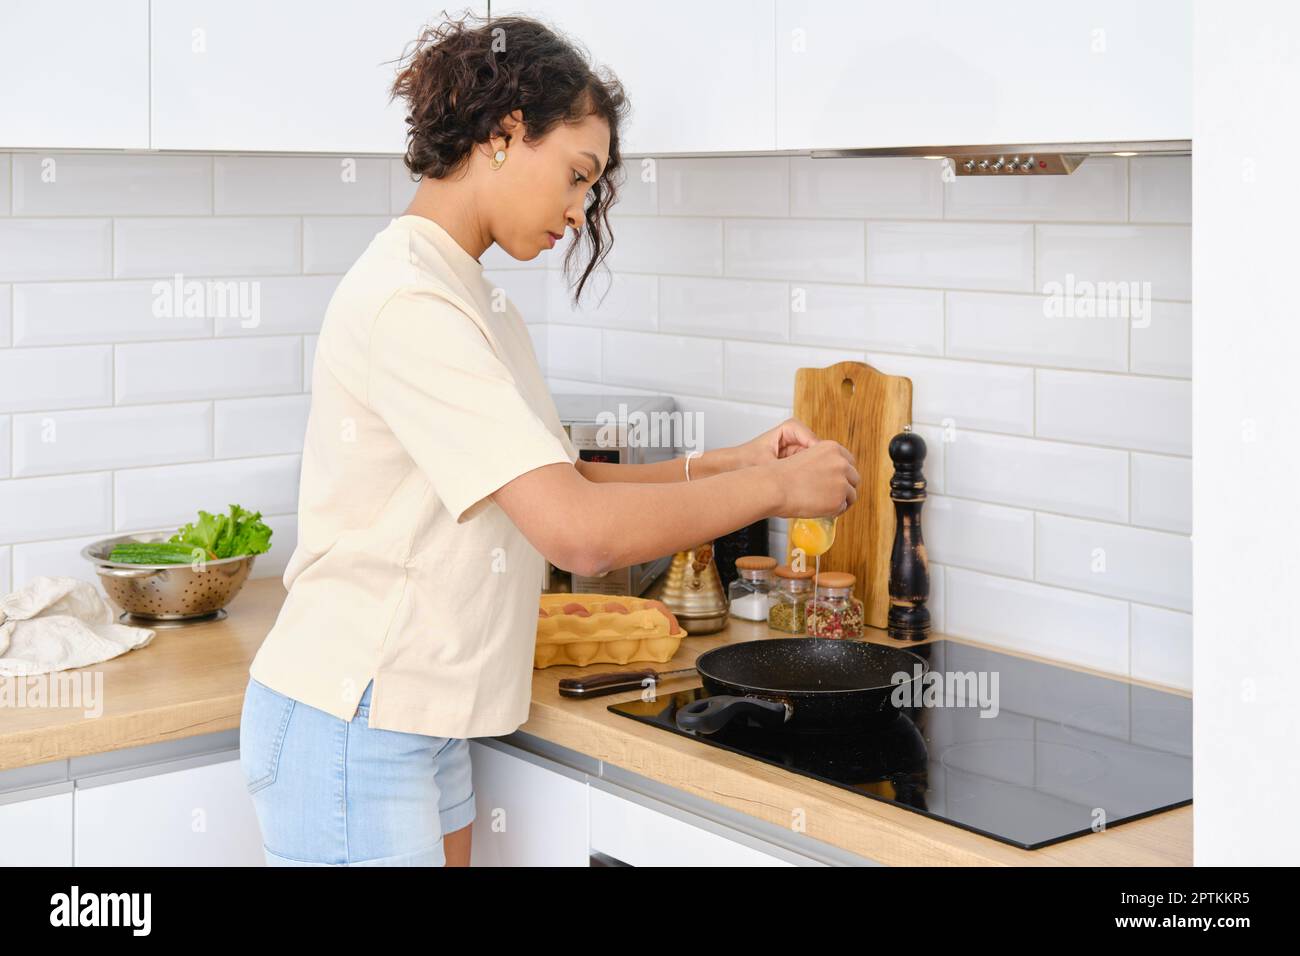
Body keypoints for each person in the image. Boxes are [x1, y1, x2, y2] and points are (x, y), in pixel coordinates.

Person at [238, 12, 859, 867]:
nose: (577, 211)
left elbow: (561, 482)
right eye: (576, 175)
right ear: (503, 133)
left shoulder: (469, 294)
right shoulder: (410, 303)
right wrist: (777, 492)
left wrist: (733, 462)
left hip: (419, 713)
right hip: (354, 718)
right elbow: (578, 532)